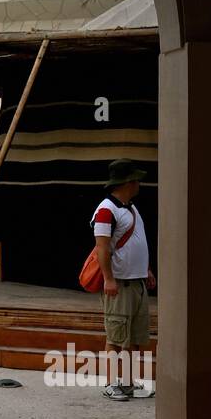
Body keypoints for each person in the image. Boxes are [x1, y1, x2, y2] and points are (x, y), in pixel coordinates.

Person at [91, 158, 156, 400]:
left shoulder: (130, 207)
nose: (139, 183)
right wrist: (108, 279)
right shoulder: (106, 210)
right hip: (120, 283)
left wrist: (146, 270)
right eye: (136, 179)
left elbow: (136, 243)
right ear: (128, 182)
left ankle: (127, 382)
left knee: (134, 339)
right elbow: (102, 248)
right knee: (116, 338)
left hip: (136, 282)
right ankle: (111, 383)